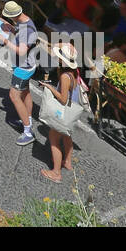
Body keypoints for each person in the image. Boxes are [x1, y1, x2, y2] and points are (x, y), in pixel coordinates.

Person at [0, 0, 39, 146]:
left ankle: (28, 132)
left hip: (23, 67)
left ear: (13, 16)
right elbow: (22, 35)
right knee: (25, 92)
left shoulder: (27, 30)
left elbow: (21, 51)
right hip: (27, 65)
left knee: (14, 96)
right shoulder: (25, 21)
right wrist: (12, 29)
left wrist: (5, 41)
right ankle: (28, 118)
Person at [39, 42, 82, 182]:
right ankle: (67, 162)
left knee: (53, 138)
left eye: (59, 57)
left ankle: (56, 172)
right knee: (66, 135)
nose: (57, 59)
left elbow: (63, 99)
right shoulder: (74, 73)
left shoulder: (64, 77)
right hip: (70, 114)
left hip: (62, 113)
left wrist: (50, 88)